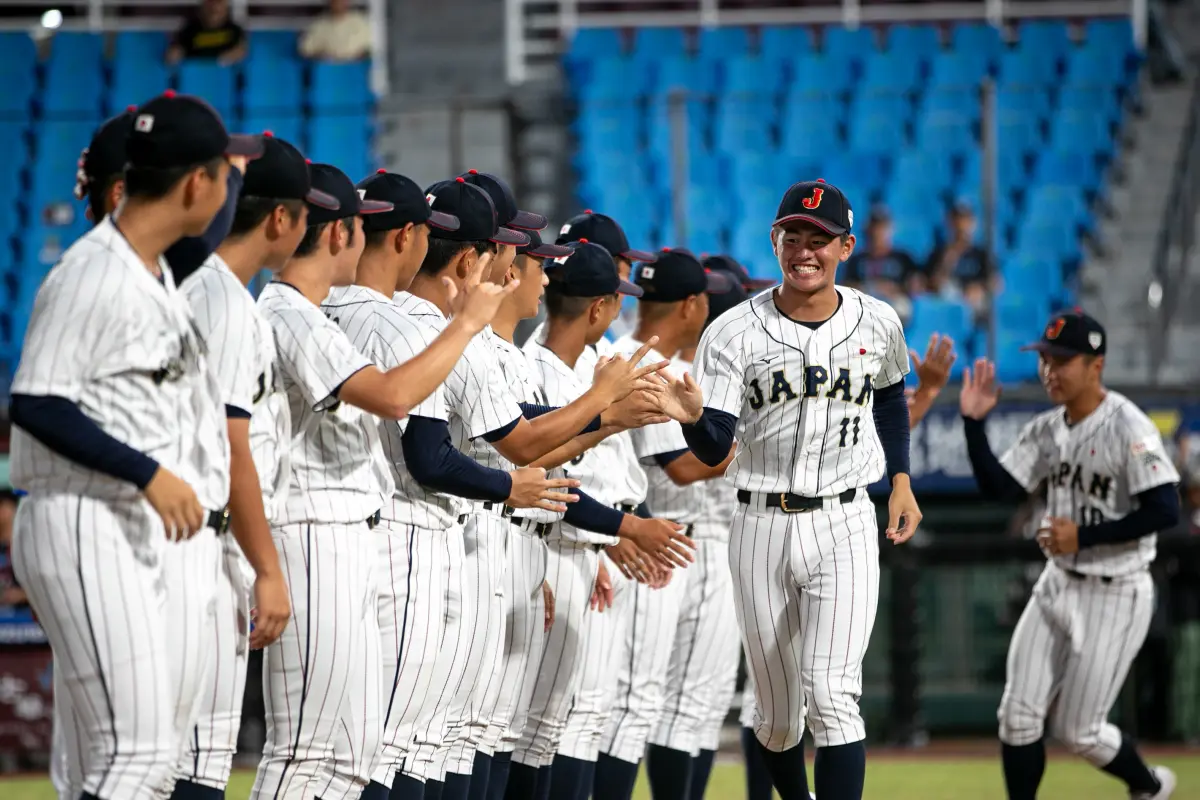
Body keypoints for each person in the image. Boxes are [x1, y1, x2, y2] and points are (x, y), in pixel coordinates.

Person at [9, 91, 260, 800]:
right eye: (220, 173)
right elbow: (35, 401)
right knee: (139, 752)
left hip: (118, 518)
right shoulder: (96, 274)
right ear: (195, 184)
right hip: (86, 513)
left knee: (143, 756)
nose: (224, 192)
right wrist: (149, 472)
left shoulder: (149, 274)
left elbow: (195, 245)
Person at [248, 163, 513, 800]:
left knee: (353, 752)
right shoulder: (313, 313)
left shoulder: (316, 312)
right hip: (324, 526)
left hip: (354, 529)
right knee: (319, 752)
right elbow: (399, 404)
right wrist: (467, 323)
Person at [674, 179, 921, 800]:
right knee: (778, 717)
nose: (805, 251)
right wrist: (688, 414)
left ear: (846, 246)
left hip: (845, 519)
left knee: (834, 694)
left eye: (821, 239)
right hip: (759, 523)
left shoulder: (878, 319)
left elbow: (891, 397)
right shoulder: (732, 333)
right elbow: (713, 448)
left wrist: (900, 479)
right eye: (793, 236)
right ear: (774, 241)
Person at [959, 310, 1178, 800]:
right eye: (1045, 359)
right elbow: (999, 490)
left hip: (1115, 591)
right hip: (1057, 583)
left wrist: (1085, 536)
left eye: (1063, 360)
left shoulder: (1130, 426)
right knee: (1017, 715)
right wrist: (974, 425)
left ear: (1095, 365)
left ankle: (1148, 787)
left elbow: (1165, 509)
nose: (1049, 371)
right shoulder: (1045, 428)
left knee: (1080, 731)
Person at [176, 133, 328, 798]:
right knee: (193, 759)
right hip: (205, 541)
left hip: (199, 533)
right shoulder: (228, 303)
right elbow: (232, 443)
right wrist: (269, 570)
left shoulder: (209, 289)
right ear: (282, 220)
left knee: (186, 757)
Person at [597, 250, 734, 800]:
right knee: (636, 702)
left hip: (665, 542)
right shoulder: (643, 361)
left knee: (673, 703)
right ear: (695, 304)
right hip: (649, 543)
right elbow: (679, 468)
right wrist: (757, 445)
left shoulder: (651, 360)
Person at [646, 271, 747, 800]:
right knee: (678, 703)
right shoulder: (681, 372)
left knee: (703, 704)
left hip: (713, 539)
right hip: (683, 539)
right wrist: (755, 445)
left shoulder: (722, 377)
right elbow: (680, 469)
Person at [841, 207, 919, 324]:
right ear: (868, 230)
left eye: (882, 227)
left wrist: (896, 289)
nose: (878, 232)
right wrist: (872, 287)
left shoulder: (903, 258)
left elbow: (916, 285)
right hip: (866, 302)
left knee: (903, 307)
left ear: (890, 230)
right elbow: (846, 286)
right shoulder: (857, 259)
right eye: (875, 227)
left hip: (894, 302)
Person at [921, 201, 996, 314]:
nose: (961, 225)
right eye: (957, 220)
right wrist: (948, 261)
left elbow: (996, 283)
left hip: (974, 302)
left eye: (965, 220)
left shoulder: (980, 254)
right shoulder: (939, 252)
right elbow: (931, 285)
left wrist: (980, 288)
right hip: (949, 303)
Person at [166, 0, 247, 65]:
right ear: (203, 6)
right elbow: (174, 53)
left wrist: (223, 61)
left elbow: (240, 52)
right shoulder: (189, 29)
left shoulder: (234, 30)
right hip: (194, 77)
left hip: (222, 78)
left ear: (225, 6)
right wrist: (174, 54)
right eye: (210, 2)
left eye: (219, 2)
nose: (214, 7)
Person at [299, 0, 372, 62]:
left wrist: (361, 56)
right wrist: (320, 55)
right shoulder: (319, 24)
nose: (338, 2)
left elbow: (370, 50)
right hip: (328, 69)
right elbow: (305, 50)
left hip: (354, 69)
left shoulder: (360, 22)